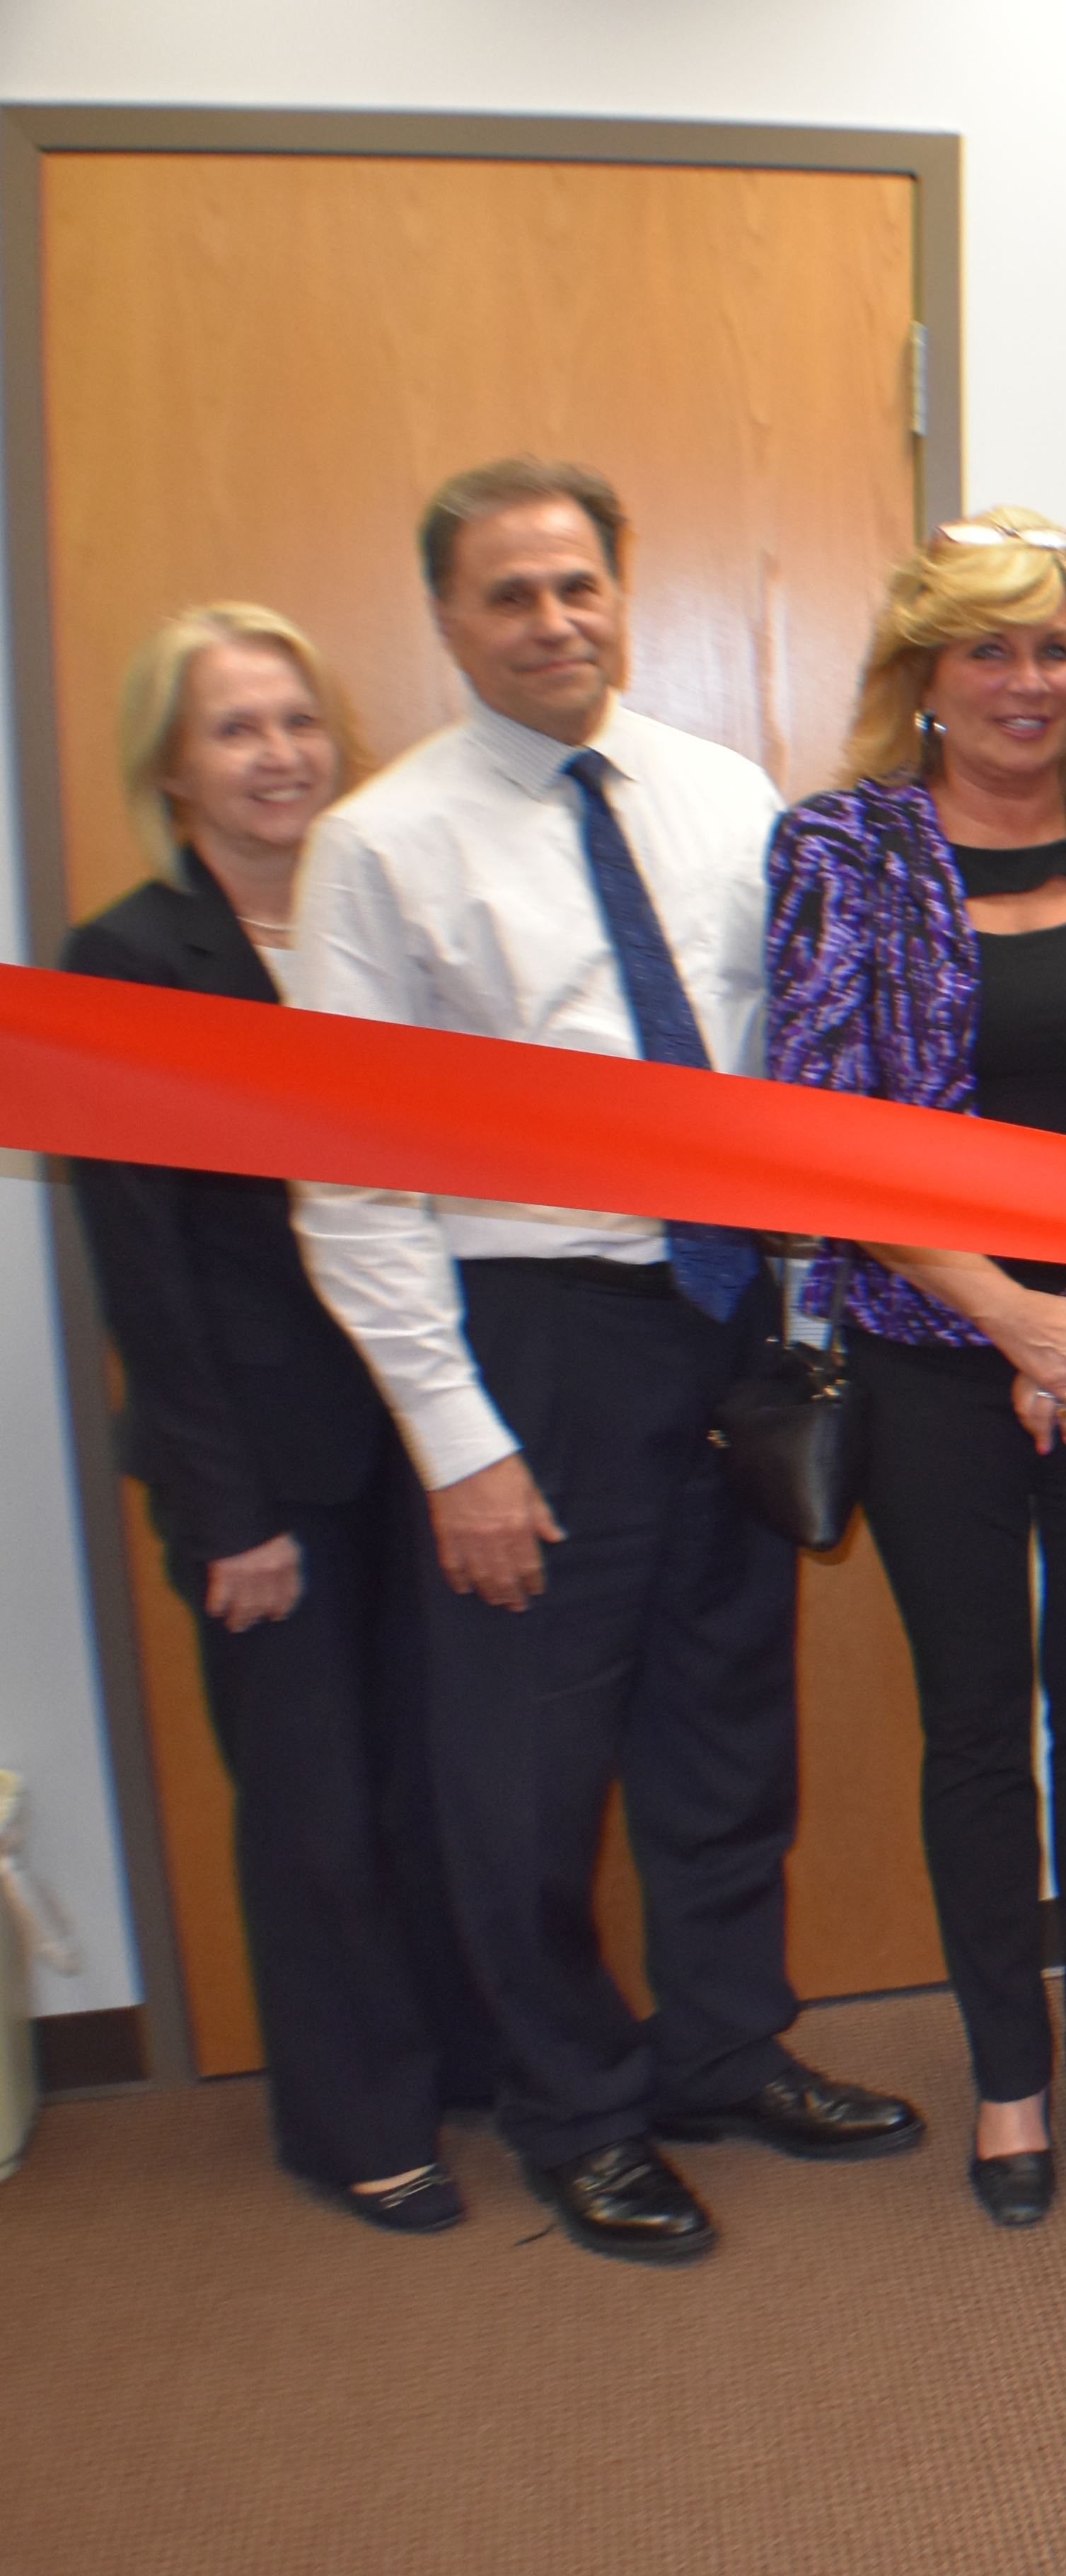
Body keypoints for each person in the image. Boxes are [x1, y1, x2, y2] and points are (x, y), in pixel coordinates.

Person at [291, 459, 925, 2267]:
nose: (555, 621)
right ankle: (578, 2106)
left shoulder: (725, 796)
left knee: (727, 1723)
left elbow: (787, 1073)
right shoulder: (381, 846)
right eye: (511, 595)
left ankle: (729, 2047)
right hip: (530, 1337)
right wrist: (455, 1441)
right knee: (526, 1770)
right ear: (448, 618)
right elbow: (344, 1174)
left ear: (620, 592)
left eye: (579, 585)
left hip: (718, 1324)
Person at [765, 510, 1066, 2229]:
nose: (1030, 682)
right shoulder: (837, 849)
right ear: (928, 676)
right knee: (975, 1730)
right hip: (925, 1365)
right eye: (992, 650)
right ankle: (1011, 2082)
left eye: (1056, 648)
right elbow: (824, 1134)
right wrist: (1010, 1319)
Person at [62, 603, 494, 2232]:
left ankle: (461, 2057)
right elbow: (149, 1275)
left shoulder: (380, 915)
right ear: (172, 768)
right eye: (236, 728)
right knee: (313, 1799)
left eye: (297, 721)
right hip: (265, 1469)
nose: (278, 755)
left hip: (428, 1436)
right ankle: (355, 2116)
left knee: (432, 1774)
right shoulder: (124, 959)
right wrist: (224, 1508)